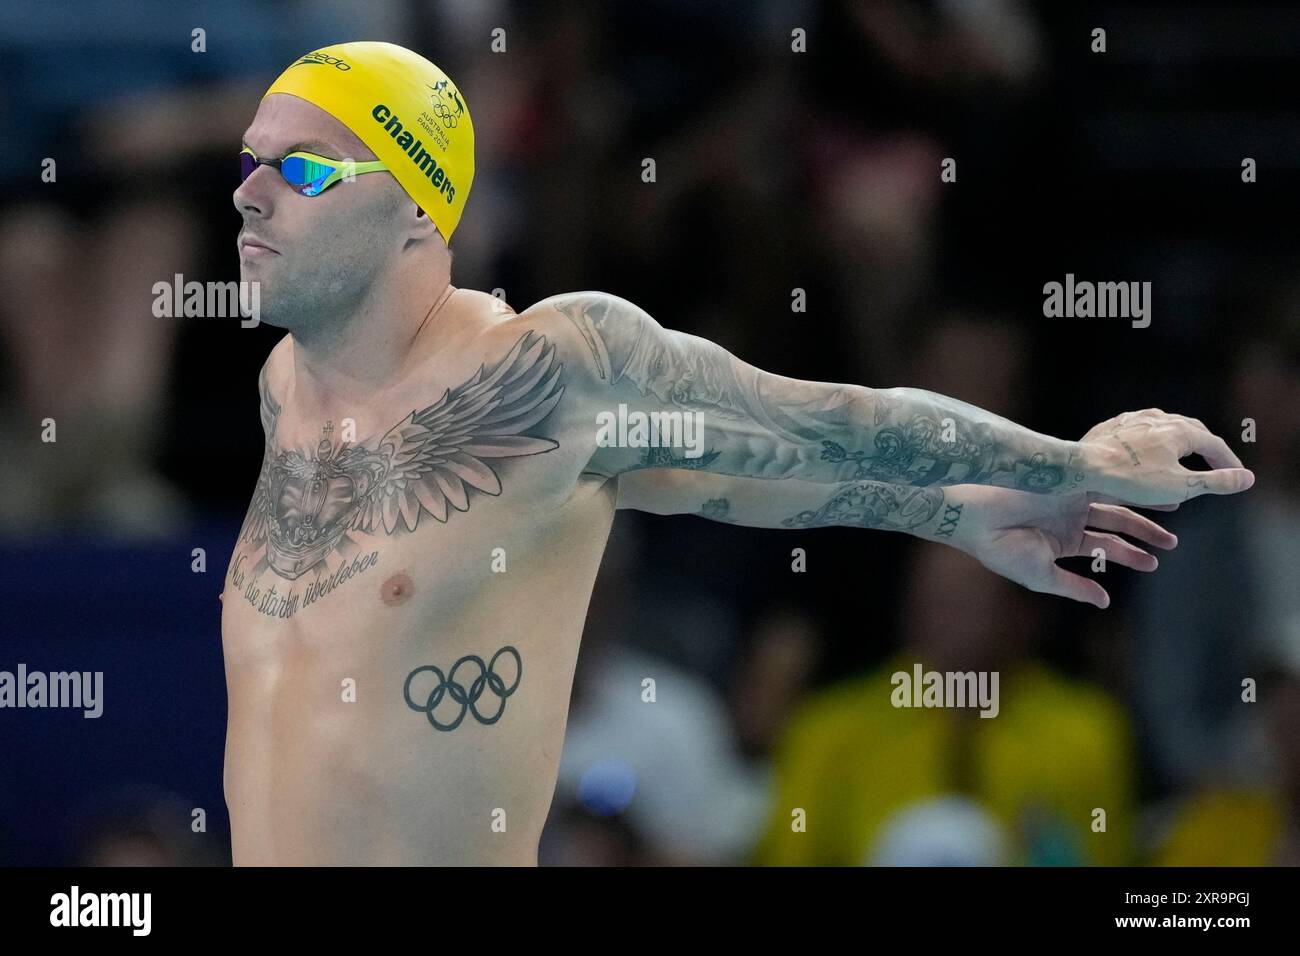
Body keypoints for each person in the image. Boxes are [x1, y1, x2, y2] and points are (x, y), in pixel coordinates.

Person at [223, 41, 1254, 865]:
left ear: (416, 206)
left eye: (303, 166)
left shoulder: (553, 362)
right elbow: (697, 479)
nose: (250, 193)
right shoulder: (286, 390)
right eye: (249, 160)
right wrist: (949, 514)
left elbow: (820, 415)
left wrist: (1063, 464)